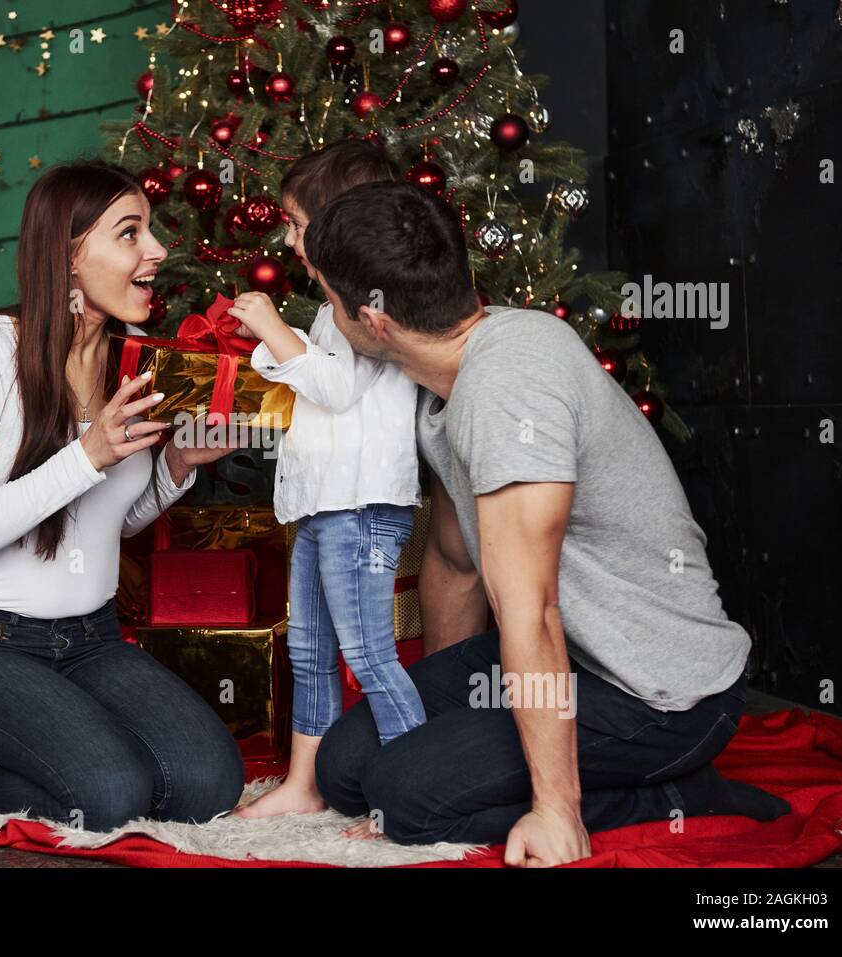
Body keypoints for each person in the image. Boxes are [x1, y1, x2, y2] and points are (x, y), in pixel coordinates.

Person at [301, 181, 789, 864]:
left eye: (328, 299)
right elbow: (455, 560)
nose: (328, 315)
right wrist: (444, 730)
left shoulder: (507, 389)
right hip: (571, 659)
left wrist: (552, 807)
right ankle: (455, 770)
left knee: (402, 798)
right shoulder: (447, 380)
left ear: (375, 322)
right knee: (347, 767)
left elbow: (529, 610)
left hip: (659, 692)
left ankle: (679, 795)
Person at [0, 160, 244, 832]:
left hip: (91, 641)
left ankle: (42, 738)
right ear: (68, 255)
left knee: (210, 782)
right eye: (130, 234)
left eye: (151, 231)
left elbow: (114, 522)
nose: (157, 251)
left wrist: (177, 462)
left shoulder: (137, 357)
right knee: (111, 794)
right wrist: (88, 452)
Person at [228, 141, 425, 820]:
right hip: (320, 506)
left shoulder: (370, 303)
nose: (287, 238)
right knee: (309, 649)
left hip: (362, 507)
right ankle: (305, 784)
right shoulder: (329, 306)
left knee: (369, 652)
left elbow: (337, 387)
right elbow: (312, 383)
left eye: (295, 223)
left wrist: (272, 327)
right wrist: (278, 342)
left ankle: (411, 792)